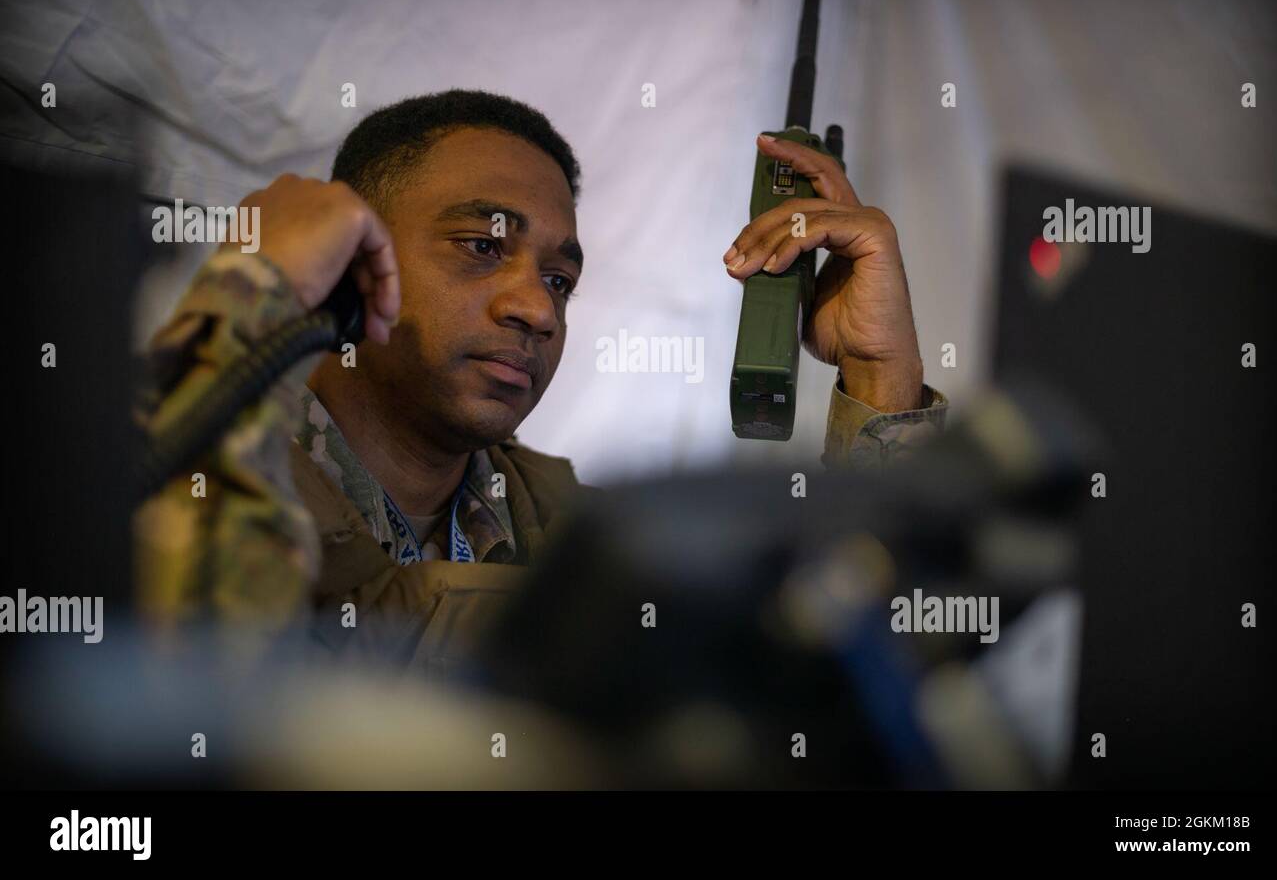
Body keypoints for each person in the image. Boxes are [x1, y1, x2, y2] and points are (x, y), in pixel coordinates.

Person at [133, 89, 947, 675]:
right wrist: (254, 292)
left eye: (560, 280)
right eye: (482, 246)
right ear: (350, 255)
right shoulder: (173, 465)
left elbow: (830, 679)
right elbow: (195, 674)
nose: (537, 309)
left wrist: (878, 374)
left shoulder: (572, 535)